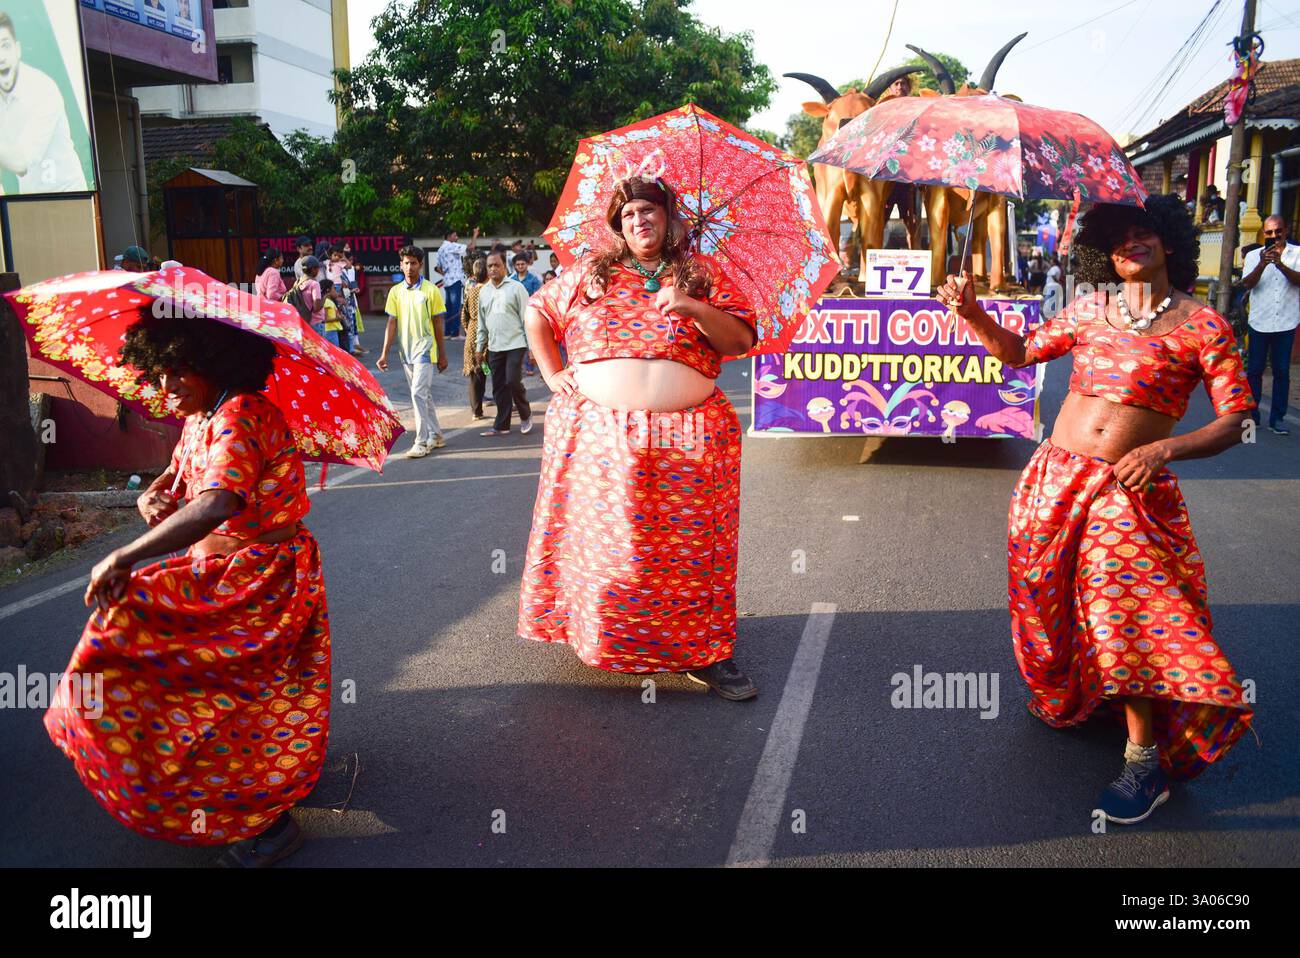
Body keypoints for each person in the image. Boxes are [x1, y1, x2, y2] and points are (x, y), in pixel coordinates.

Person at [937, 194, 1255, 825]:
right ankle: (1072, 693)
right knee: (1041, 594)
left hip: (1130, 489)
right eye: (1116, 239)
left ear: (1169, 243)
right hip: (1055, 477)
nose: (1129, 244)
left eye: (1143, 234)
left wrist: (1166, 447)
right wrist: (973, 313)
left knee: (1124, 605)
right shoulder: (1087, 310)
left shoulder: (1203, 326)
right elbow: (1020, 352)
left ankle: (1144, 760)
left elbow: (1235, 419)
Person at [44, 315, 328, 867]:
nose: (167, 387)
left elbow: (218, 502)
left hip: (259, 577)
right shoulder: (203, 417)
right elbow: (175, 482)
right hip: (219, 572)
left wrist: (125, 554)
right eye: (161, 374)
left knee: (234, 692)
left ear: (212, 365)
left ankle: (268, 822)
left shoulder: (241, 414)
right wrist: (147, 499)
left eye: (180, 373)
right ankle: (216, 785)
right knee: (216, 685)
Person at [520, 175, 759, 699]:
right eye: (628, 215)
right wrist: (553, 372)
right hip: (600, 436)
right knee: (614, 548)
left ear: (670, 218)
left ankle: (709, 653)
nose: (639, 221)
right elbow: (536, 311)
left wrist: (693, 306)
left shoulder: (701, 273)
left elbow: (740, 340)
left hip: (692, 435)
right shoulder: (590, 273)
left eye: (648, 210)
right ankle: (609, 638)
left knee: (693, 551)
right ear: (617, 226)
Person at [0, 12, 87, 193]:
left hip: (68, 198)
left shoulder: (42, 90)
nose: (1, 57)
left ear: (18, 49)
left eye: (5, 46)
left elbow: (21, 161)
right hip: (28, 201)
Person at [379, 245, 447, 458]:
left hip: (426, 350)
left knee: (418, 393)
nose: (409, 267)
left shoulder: (430, 290)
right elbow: (392, 323)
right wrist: (384, 354)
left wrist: (442, 354)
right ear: (401, 265)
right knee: (422, 395)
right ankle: (436, 435)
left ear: (420, 264)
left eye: (413, 263)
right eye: (406, 263)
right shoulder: (395, 292)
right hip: (405, 351)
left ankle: (422, 441)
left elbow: (438, 323)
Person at [1240, 214, 1299, 435]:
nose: (1274, 236)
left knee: (1281, 372)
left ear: (1286, 231)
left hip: (1286, 321)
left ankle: (1278, 419)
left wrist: (1281, 265)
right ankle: (1253, 416)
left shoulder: (1297, 254)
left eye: (1278, 231)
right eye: (1269, 232)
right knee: (1254, 370)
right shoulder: (1255, 255)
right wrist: (1263, 264)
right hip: (1260, 321)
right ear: (1263, 234)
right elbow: (1247, 283)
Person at [475, 252, 533, 437]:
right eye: (490, 265)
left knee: (512, 380)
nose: (492, 268)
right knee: (499, 385)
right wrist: (479, 348)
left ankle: (525, 414)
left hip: (516, 343)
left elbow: (527, 320)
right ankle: (502, 425)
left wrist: (532, 348)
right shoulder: (483, 291)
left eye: (496, 265)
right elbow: (482, 323)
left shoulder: (517, 288)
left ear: (504, 267)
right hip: (494, 346)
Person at [436, 227, 478, 338]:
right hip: (455, 280)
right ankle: (455, 333)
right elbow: (471, 247)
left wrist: (446, 274)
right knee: (455, 307)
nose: (457, 237)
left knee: (449, 307)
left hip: (447, 280)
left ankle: (447, 333)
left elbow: (438, 267)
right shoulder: (451, 246)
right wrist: (475, 234)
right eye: (455, 235)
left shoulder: (440, 249)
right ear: (449, 237)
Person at [462, 256, 488, 419]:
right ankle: (505, 405)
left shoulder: (471, 291)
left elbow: (463, 316)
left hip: (473, 337)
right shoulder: (490, 290)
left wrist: (469, 330)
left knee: (476, 375)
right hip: (490, 338)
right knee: (492, 371)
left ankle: (476, 411)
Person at [320, 278, 344, 348]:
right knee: (334, 349)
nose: (336, 291)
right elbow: (325, 319)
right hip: (329, 331)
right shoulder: (326, 302)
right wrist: (337, 318)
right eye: (334, 289)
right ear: (328, 290)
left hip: (332, 329)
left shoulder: (329, 301)